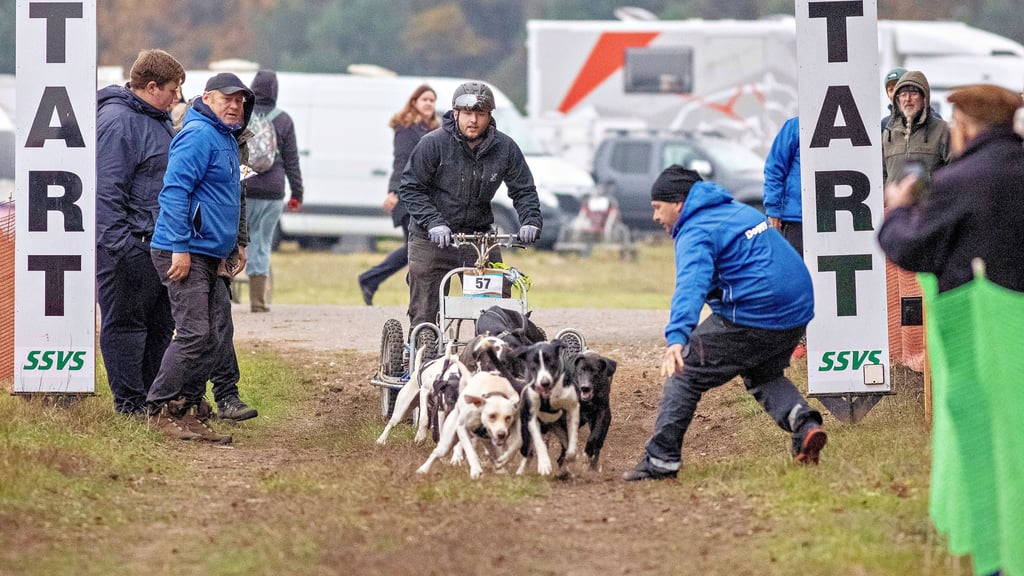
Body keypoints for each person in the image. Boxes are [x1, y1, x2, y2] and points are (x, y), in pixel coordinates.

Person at [623, 166, 826, 481]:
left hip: (758, 309)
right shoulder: (737, 210)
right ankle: (804, 423)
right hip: (798, 307)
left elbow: (691, 285)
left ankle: (661, 460)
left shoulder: (695, 229)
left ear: (678, 203)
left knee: (684, 370)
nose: (655, 217)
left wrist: (677, 339)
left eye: (657, 208)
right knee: (763, 372)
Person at [145, 73, 255, 442]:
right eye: (227, 98)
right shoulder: (196, 135)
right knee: (194, 334)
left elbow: (229, 199)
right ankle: (157, 409)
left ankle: (187, 408)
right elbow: (174, 192)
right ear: (206, 97)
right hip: (183, 251)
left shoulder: (225, 138)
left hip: (210, 253)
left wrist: (234, 245)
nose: (235, 105)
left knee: (214, 336)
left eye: (240, 100)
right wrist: (179, 246)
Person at [399, 81, 543, 335]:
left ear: (490, 116)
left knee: (495, 308)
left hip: (478, 238)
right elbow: (411, 189)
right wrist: (434, 222)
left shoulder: (505, 148)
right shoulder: (432, 144)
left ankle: (491, 355)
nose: (473, 120)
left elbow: (523, 190)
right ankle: (421, 353)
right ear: (455, 114)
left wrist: (530, 220)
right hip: (431, 238)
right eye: (467, 113)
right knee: (425, 308)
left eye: (480, 114)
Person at [95, 49, 184, 417]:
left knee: (160, 327)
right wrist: (120, 246)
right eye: (173, 90)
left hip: (157, 245)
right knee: (127, 328)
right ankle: (129, 405)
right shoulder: (118, 121)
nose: (178, 98)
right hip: (130, 246)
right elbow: (107, 189)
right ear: (151, 87)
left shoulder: (156, 118)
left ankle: (151, 401)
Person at [878, 84, 1024, 293]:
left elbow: (913, 249)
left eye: (955, 123)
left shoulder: (957, 182)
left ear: (966, 128)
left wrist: (900, 209)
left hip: (978, 317)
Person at [357, 84, 440, 306]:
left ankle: (370, 280)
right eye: (425, 99)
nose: (429, 104)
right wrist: (393, 192)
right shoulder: (406, 128)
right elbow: (401, 160)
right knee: (414, 248)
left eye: (432, 100)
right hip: (407, 195)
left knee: (412, 249)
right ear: (414, 102)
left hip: (425, 196)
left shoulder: (431, 129)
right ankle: (372, 280)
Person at [243, 70, 304, 312]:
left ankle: (223, 296)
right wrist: (297, 194)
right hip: (273, 190)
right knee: (262, 242)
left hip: (244, 187)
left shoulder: (241, 115)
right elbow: (292, 160)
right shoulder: (283, 120)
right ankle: (257, 301)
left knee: (232, 240)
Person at [763, 116, 807, 358]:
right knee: (793, 280)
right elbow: (775, 167)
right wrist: (773, 210)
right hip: (796, 218)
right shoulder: (794, 127)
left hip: (832, 219)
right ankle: (795, 339)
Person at [882, 70, 950, 186]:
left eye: (913, 94)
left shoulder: (942, 129)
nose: (907, 99)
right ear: (897, 101)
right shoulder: (888, 132)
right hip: (895, 204)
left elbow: (955, 171)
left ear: (924, 98)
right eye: (903, 94)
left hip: (930, 203)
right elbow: (881, 175)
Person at [880, 67, 906, 132]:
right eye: (891, 90)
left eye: (899, 87)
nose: (895, 93)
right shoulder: (884, 124)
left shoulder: (928, 120)